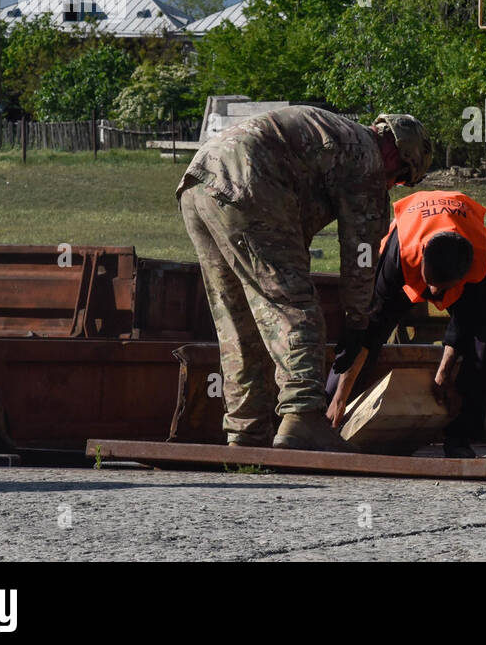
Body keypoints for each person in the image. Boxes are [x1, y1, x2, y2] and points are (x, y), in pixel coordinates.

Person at [177, 106, 431, 452]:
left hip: (200, 181)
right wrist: (357, 322)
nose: (392, 185)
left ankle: (246, 430)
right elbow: (361, 253)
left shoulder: (336, 134)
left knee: (239, 319)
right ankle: (303, 416)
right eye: (400, 178)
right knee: (295, 306)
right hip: (250, 184)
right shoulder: (367, 158)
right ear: (398, 154)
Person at [326, 190, 486, 459]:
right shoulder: (398, 254)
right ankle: (326, 414)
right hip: (408, 249)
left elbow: (466, 319)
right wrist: (339, 397)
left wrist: (444, 371)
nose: (433, 292)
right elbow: (367, 330)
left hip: (459, 260)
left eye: (441, 289)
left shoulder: (481, 259)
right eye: (430, 283)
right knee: (368, 331)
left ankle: (460, 436)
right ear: (421, 257)